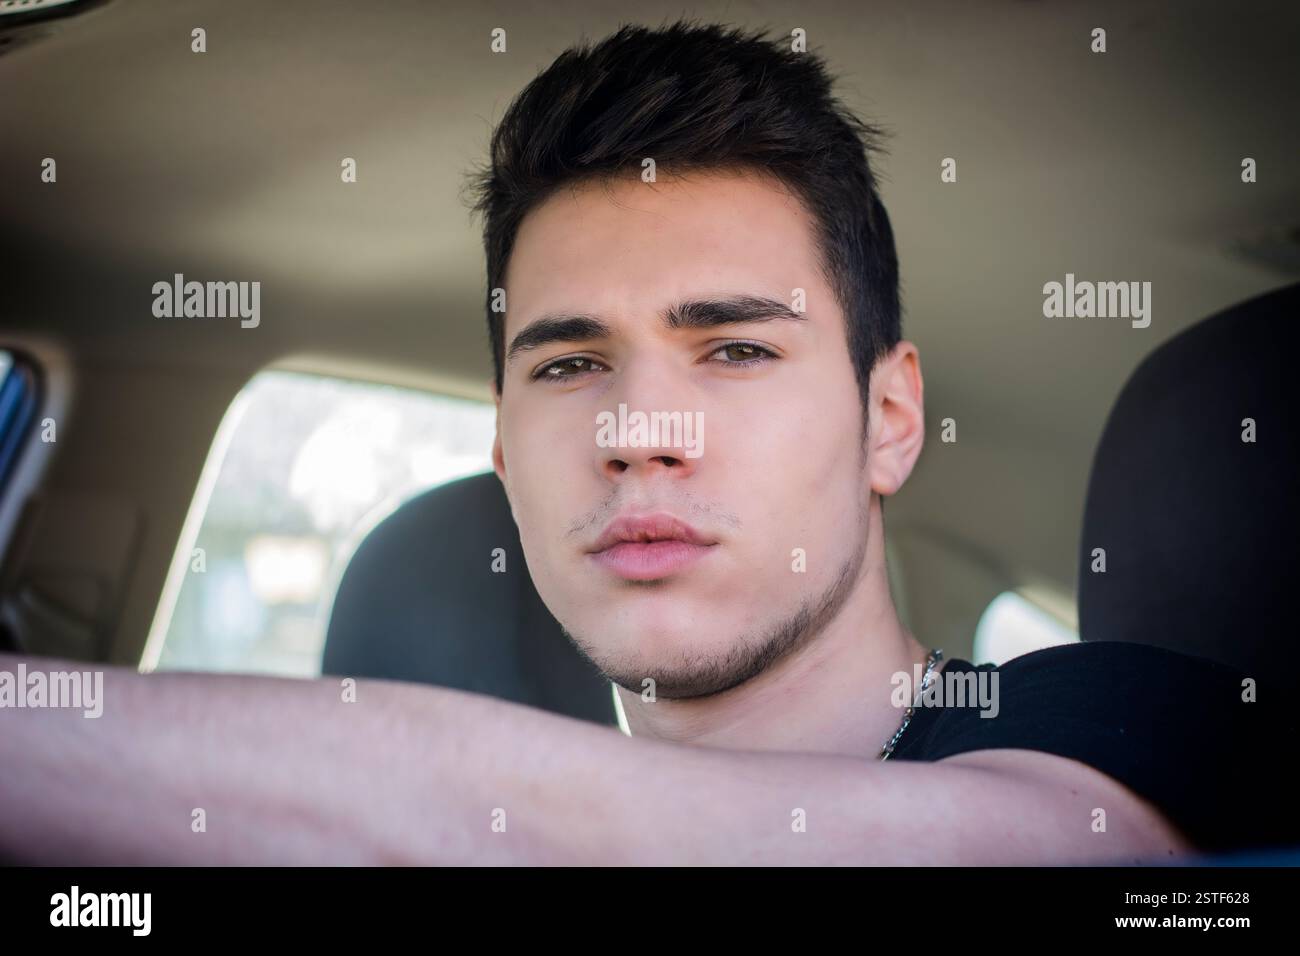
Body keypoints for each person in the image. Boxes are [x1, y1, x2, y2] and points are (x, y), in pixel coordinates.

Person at [0, 20, 1283, 865]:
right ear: (504, 455)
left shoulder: (1124, 726)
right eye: (568, 364)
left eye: (732, 349)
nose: (636, 433)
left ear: (889, 420)